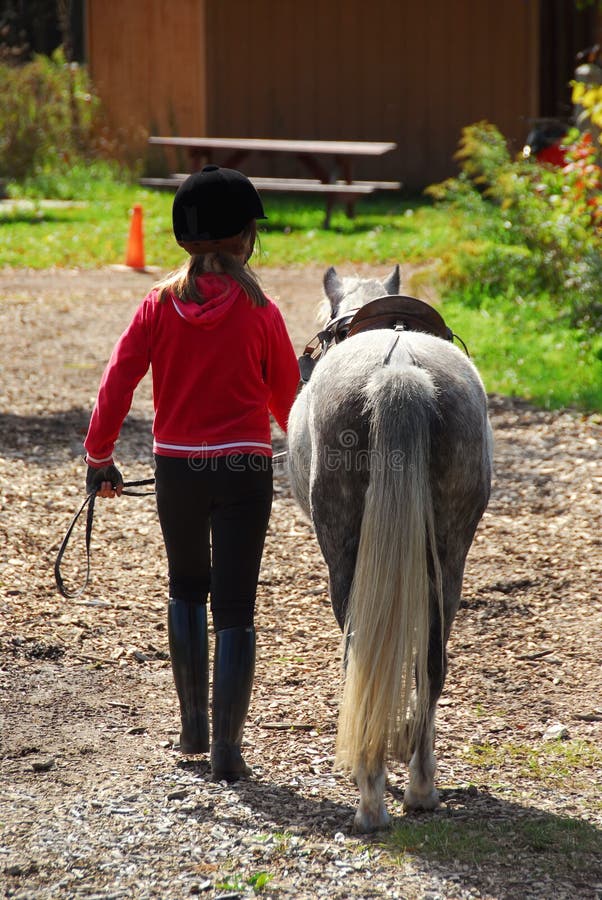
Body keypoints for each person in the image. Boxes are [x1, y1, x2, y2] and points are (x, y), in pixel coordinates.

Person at [84, 165, 300, 781]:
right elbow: (288, 397)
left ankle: (192, 729)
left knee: (185, 586)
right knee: (235, 604)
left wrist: (99, 456)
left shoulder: (157, 305)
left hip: (177, 467)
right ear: (245, 238)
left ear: (184, 238)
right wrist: (303, 443)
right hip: (244, 469)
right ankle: (229, 750)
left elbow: (118, 379)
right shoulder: (262, 311)